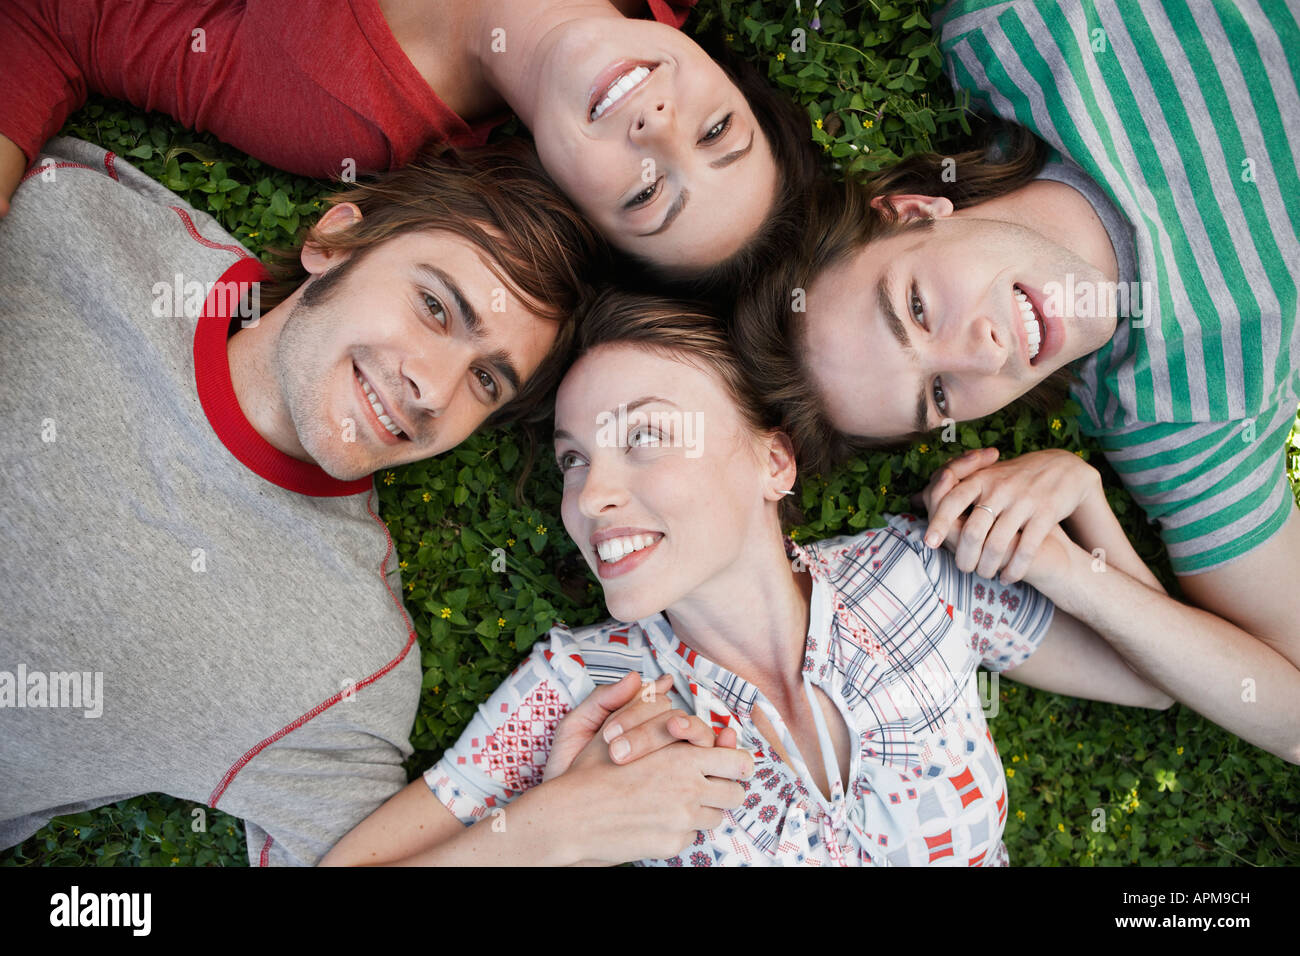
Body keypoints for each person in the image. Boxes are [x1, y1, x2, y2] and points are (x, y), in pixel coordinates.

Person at [321, 290, 1300, 868]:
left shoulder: (914, 575)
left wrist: (1071, 530)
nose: (593, 495)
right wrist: (551, 828)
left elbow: (1160, 677)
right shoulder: (578, 688)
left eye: (644, 437)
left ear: (772, 463)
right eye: (574, 459)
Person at [0, 134, 604, 866]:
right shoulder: (81, 214)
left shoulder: (344, 658)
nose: (434, 390)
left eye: (485, 381)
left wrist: (560, 826)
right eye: (436, 308)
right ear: (335, 240)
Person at [736, 0, 1300, 704]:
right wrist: (1068, 561)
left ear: (912, 212)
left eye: (917, 308)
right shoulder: (1177, 422)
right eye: (939, 395)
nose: (982, 354)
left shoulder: (1019, 31)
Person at [0, 0, 819, 282]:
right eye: (717, 130)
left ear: (567, 207)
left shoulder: (344, 110)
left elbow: (56, 23)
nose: (658, 130)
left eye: (645, 194)